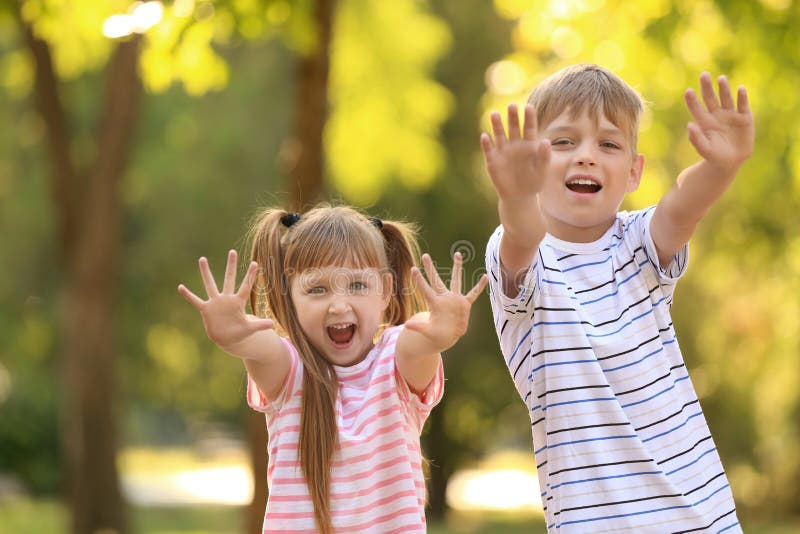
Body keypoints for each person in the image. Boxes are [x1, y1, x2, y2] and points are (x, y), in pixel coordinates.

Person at [481, 63, 753, 532]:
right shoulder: (526, 256)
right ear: (533, 164)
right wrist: (515, 196)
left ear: (633, 172)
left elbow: (683, 207)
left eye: (608, 144)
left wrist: (719, 167)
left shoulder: (639, 242)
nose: (586, 156)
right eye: (563, 142)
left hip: (700, 514)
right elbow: (522, 234)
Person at [178, 204, 487, 533]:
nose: (338, 305)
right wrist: (232, 335)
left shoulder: (395, 363)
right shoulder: (290, 371)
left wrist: (440, 328)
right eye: (317, 289)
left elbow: (419, 339)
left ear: (384, 290)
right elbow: (259, 349)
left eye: (357, 286)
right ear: (289, 299)